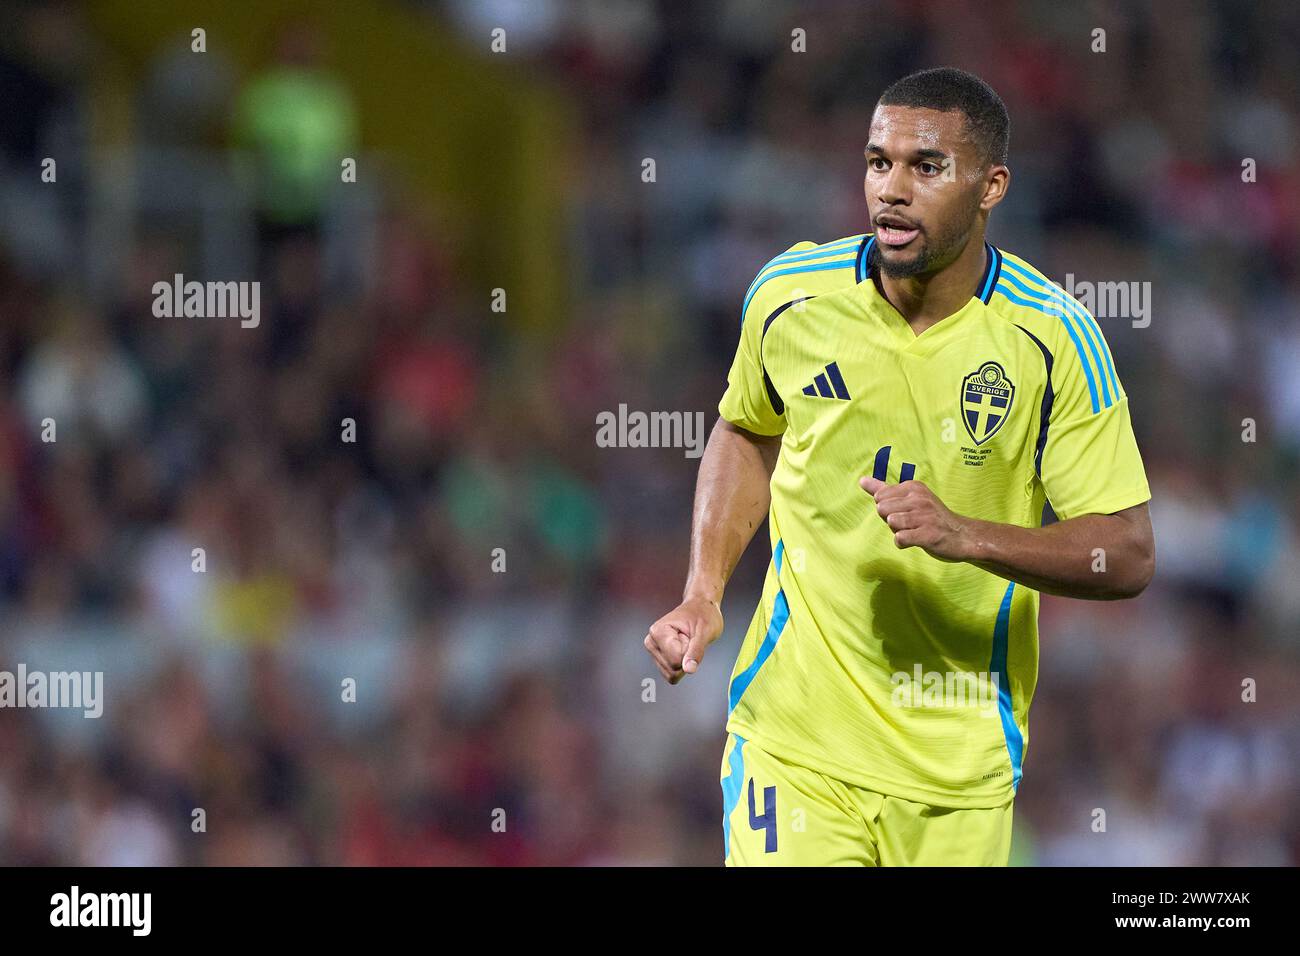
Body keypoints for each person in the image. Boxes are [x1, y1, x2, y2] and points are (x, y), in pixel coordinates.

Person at [643, 67, 1155, 866]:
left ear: (991, 186)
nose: (892, 190)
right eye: (879, 162)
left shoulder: (1053, 339)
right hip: (796, 740)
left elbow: (1126, 551)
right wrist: (702, 593)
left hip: (957, 773)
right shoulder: (790, 296)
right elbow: (746, 430)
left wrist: (971, 537)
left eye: (926, 168)